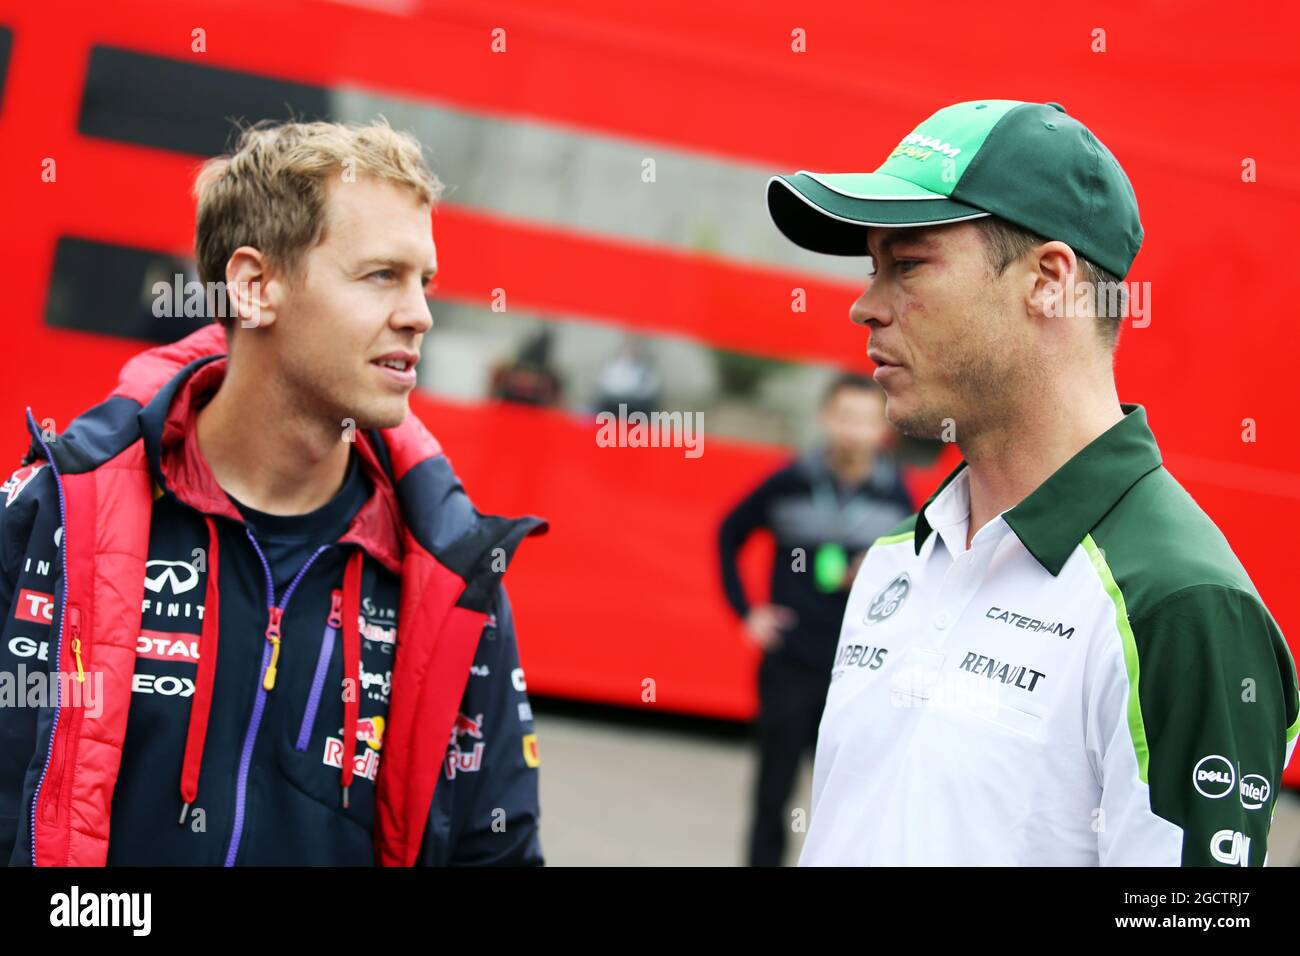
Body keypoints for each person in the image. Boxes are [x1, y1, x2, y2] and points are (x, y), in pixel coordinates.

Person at [766, 99, 1300, 866]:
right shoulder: (897, 558)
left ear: (1049, 280)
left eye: (907, 265)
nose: (865, 306)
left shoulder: (1180, 605)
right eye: (871, 268)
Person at [0, 119, 546, 866]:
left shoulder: (450, 571)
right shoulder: (52, 516)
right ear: (254, 288)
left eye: (425, 281)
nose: (419, 313)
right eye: (382, 275)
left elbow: (499, 851)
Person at [718, 374, 913, 866]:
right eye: (844, 416)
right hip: (789, 662)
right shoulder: (789, 481)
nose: (853, 430)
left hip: (857, 669)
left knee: (844, 799)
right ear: (826, 418)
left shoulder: (898, 498)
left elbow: (918, 574)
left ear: (882, 429)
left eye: (865, 420)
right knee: (772, 794)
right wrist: (747, 612)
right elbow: (728, 534)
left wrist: (878, 575)